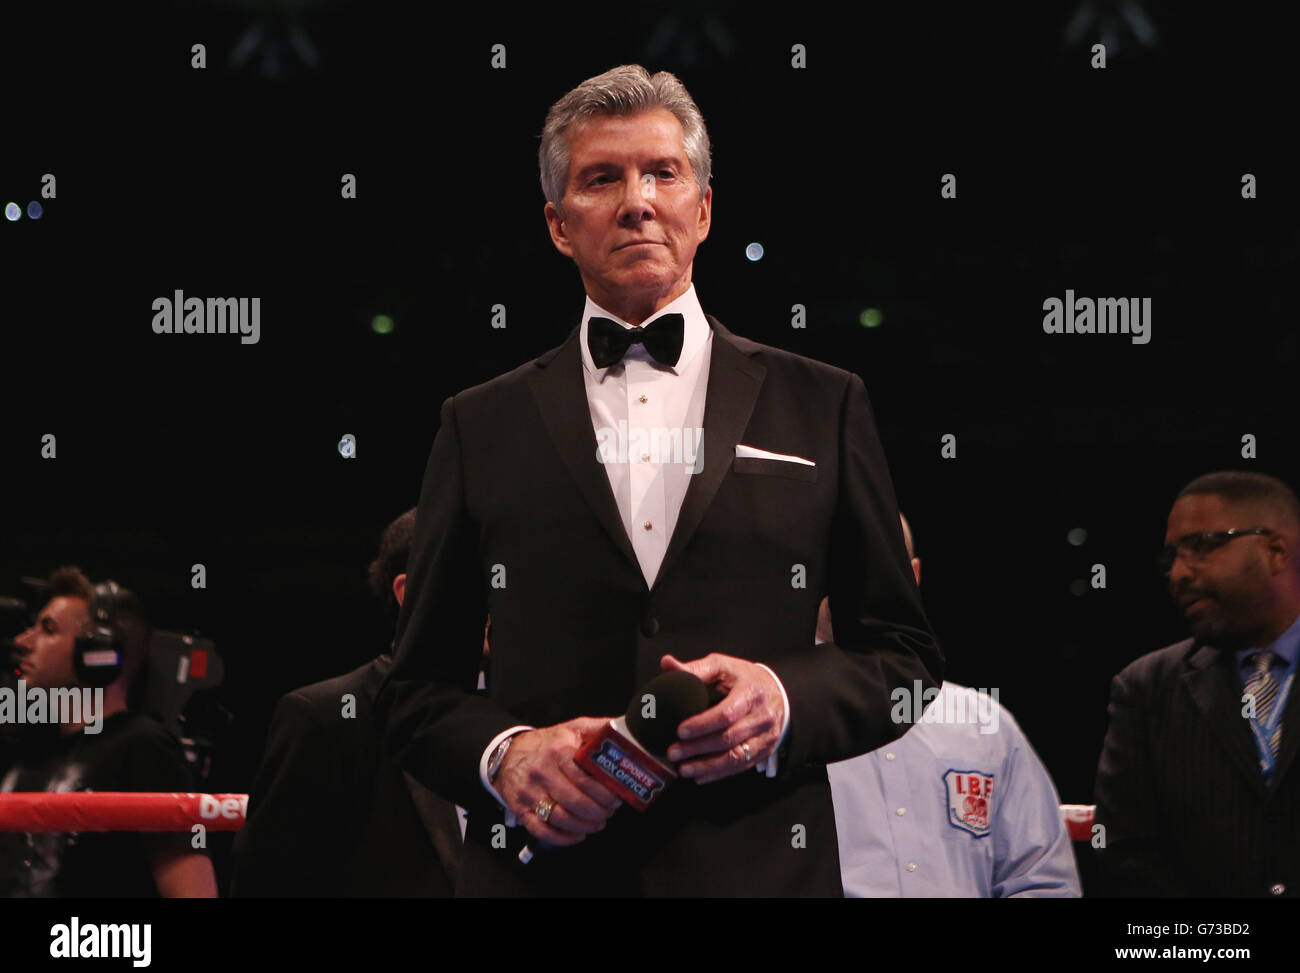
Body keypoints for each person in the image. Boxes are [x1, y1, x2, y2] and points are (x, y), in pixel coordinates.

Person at [379, 64, 944, 896]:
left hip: (761, 871)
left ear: (703, 208)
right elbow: (415, 693)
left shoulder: (823, 401)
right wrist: (508, 756)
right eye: (601, 178)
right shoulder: (478, 421)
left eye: (662, 173)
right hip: (546, 876)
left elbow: (905, 659)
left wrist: (782, 697)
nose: (636, 200)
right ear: (557, 224)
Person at [821, 514, 1080, 896]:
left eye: (881, 561)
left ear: (912, 576)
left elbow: (1042, 881)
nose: (860, 579)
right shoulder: (771, 725)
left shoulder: (984, 722)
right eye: (841, 559)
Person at [232, 508, 467, 896]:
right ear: (409, 593)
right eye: (479, 574)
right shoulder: (325, 718)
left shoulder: (530, 712)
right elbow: (266, 884)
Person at [1094, 470, 1300, 896]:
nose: (1179, 574)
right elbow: (1128, 852)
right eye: (1173, 556)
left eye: (1202, 546)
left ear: (1276, 550)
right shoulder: (1147, 687)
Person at [0, 566, 216, 897]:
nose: (23, 642)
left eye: (48, 629)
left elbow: (193, 892)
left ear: (95, 651)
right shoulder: (28, 745)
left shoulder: (144, 746)